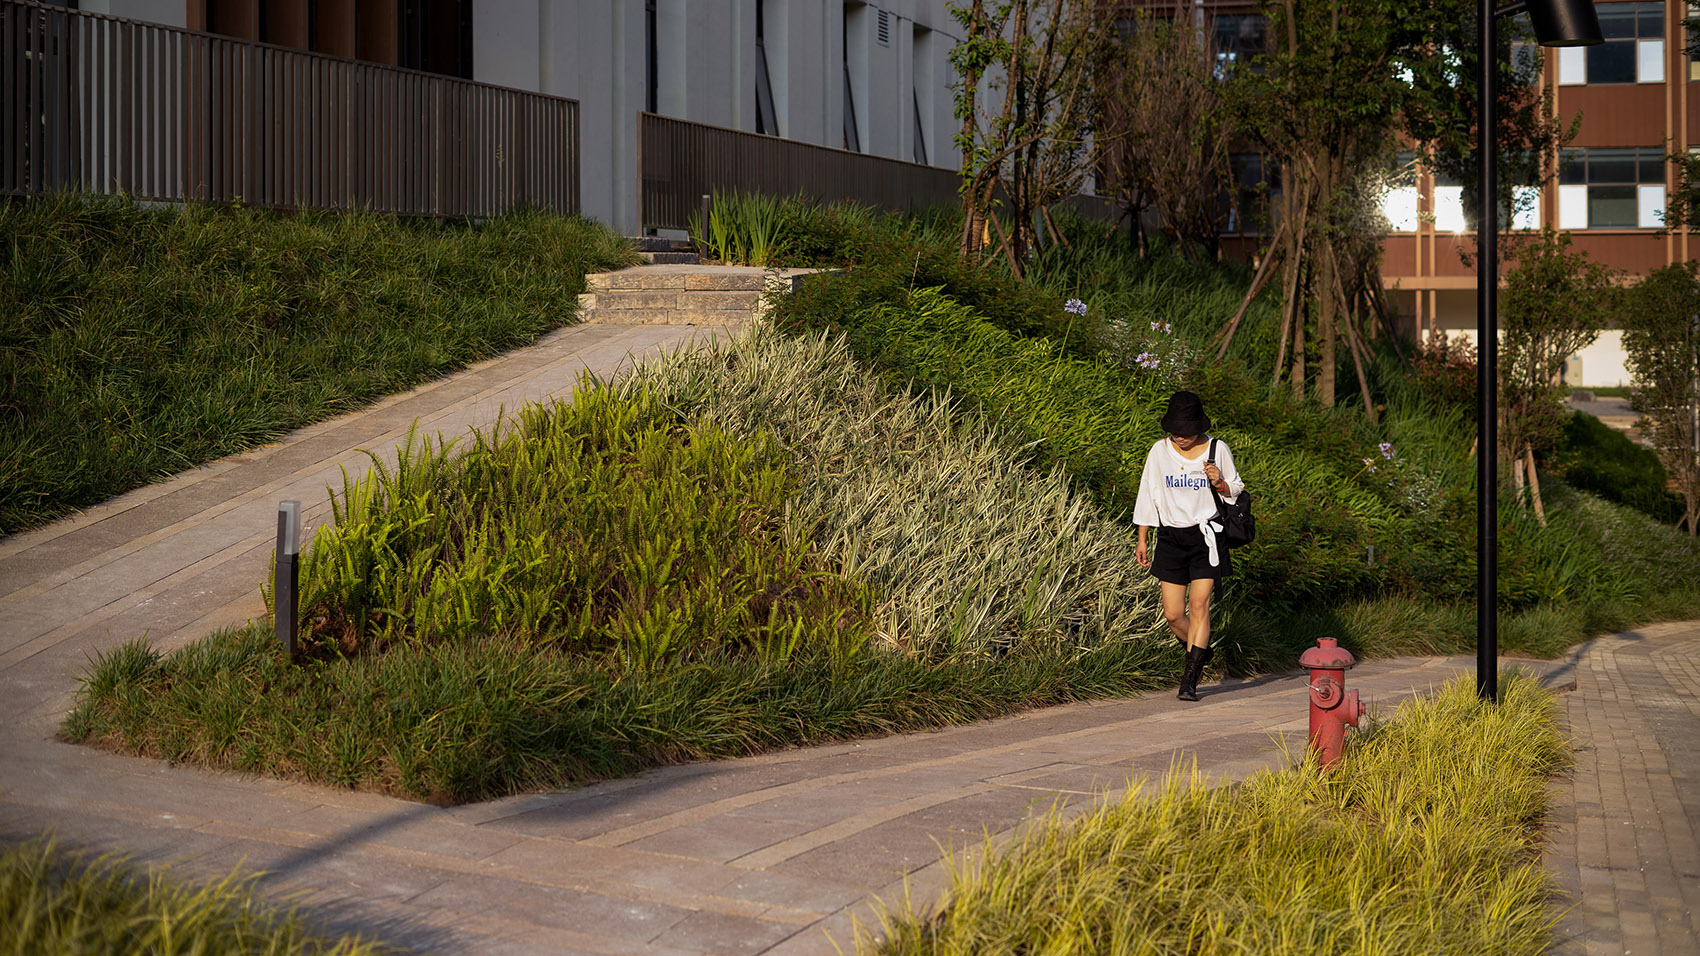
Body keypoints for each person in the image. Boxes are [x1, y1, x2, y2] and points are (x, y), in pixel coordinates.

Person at [1132, 390, 1245, 702]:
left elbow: (1236, 490)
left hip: (1207, 537)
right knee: (1172, 614)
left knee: (1199, 606)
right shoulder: (1159, 451)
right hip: (1170, 537)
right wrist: (1142, 537)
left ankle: (1190, 678)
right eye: (1175, 431)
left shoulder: (1217, 449)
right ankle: (1200, 651)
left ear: (1199, 426)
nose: (1180, 437)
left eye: (1186, 431)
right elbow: (1147, 493)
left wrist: (1219, 482)